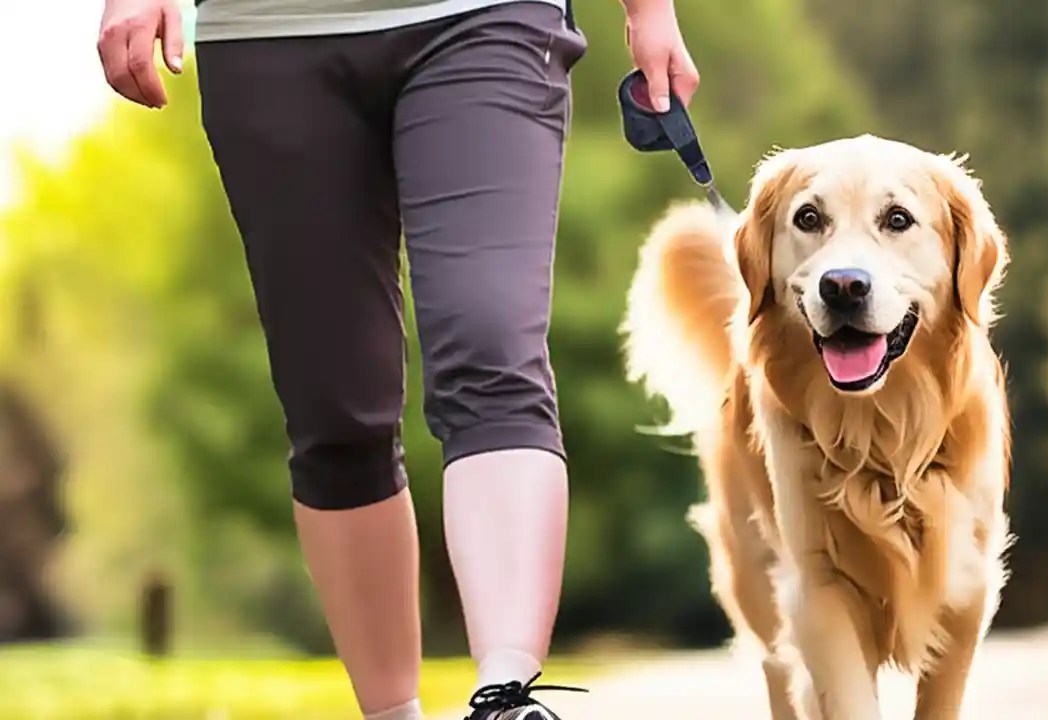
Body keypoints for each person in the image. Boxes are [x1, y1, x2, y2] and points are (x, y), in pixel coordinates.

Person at [94, 0, 699, 717]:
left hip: (483, 19)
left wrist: (650, 10)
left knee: (490, 345)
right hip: (269, 30)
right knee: (334, 408)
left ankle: (505, 696)